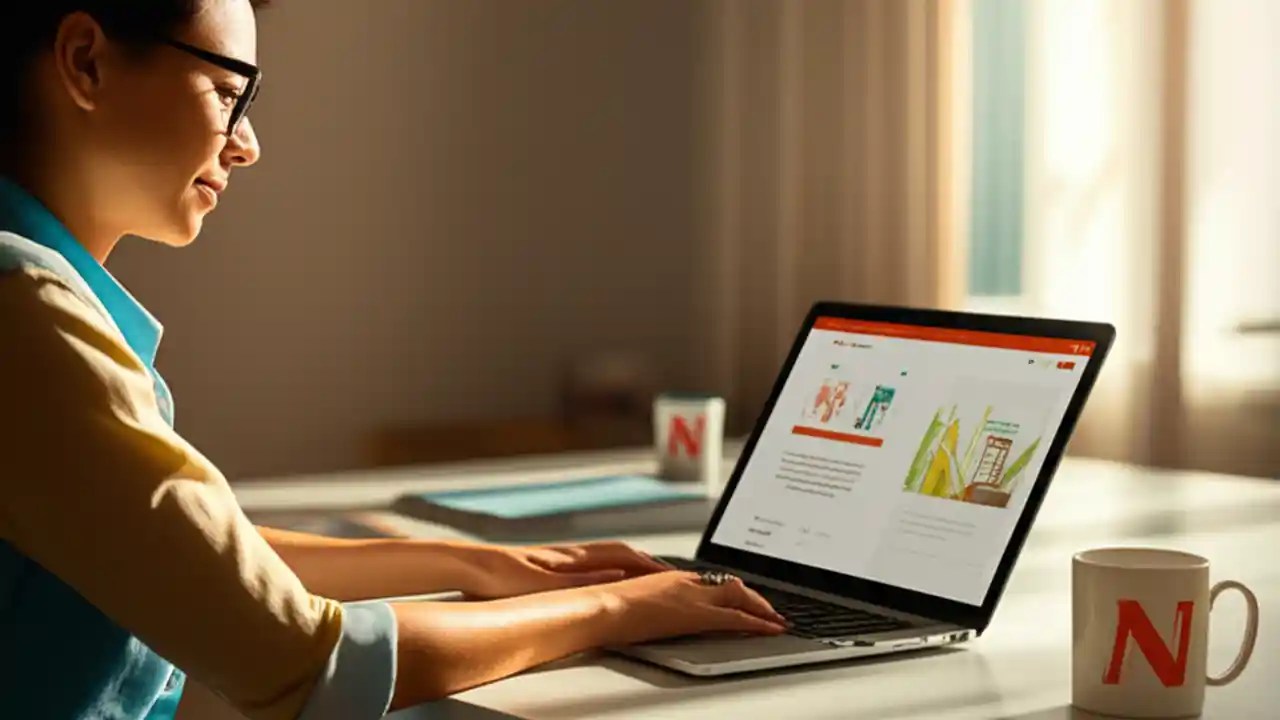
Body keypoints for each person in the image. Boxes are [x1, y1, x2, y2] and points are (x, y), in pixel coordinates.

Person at [0, 2, 787, 719]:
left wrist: (472, 562)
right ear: (86, 62)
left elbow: (189, 556)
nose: (248, 145)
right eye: (227, 91)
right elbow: (316, 666)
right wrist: (623, 611)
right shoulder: (29, 326)